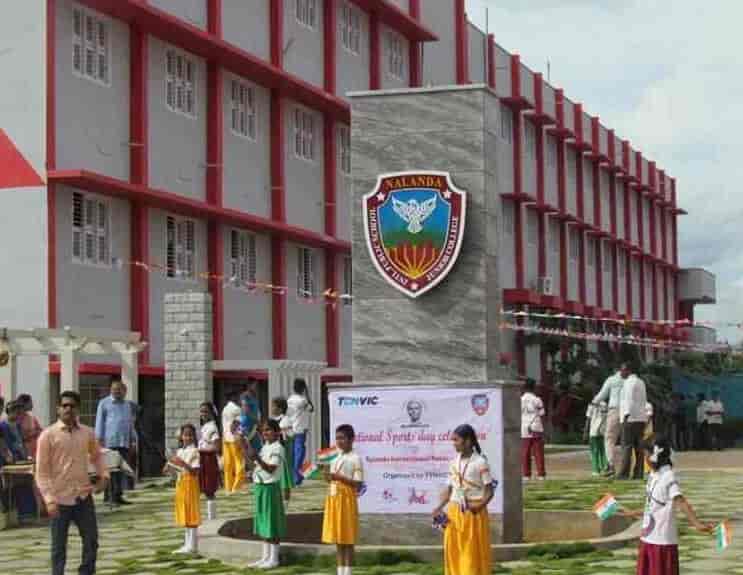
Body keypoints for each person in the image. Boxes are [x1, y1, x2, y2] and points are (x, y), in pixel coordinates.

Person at [36, 390, 108, 575]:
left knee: (91, 540)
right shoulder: (47, 435)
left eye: (72, 406)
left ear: (78, 409)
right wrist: (49, 500)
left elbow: (97, 456)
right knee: (59, 546)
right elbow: (41, 472)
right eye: (64, 405)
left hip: (82, 496)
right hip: (59, 498)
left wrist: (104, 476)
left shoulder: (87, 433)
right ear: (58, 409)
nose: (68, 409)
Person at [621, 436, 713, 575]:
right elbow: (653, 505)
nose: (645, 459)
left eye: (646, 455)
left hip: (662, 542)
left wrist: (697, 524)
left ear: (655, 456)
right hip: (647, 537)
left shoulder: (668, 477)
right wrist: (633, 512)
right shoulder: (653, 475)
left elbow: (681, 501)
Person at [432, 424, 495, 575]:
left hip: (473, 513)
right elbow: (449, 490)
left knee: (470, 551)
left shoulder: (480, 462)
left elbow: (489, 492)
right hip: (454, 513)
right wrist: (438, 507)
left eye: (456, 440)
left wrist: (479, 506)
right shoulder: (454, 463)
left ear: (468, 441)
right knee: (453, 549)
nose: (453, 443)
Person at [322, 424, 365, 575]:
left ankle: (348, 571)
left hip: (347, 500)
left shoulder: (355, 458)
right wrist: (327, 475)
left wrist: (340, 478)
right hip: (334, 499)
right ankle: (340, 571)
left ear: (351, 439)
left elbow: (358, 484)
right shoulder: (336, 457)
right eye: (337, 438)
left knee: (347, 539)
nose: (339, 441)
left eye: (342, 438)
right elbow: (331, 479)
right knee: (338, 539)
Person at [245, 419, 286, 570]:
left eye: (268, 430)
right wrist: (247, 453)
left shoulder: (278, 448)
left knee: (271, 522)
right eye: (263, 430)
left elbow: (271, 469)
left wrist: (256, 458)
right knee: (262, 521)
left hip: (270, 487)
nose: (265, 433)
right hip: (260, 486)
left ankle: (274, 558)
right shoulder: (265, 447)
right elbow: (255, 467)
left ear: (277, 432)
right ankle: (265, 557)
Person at [95, 380, 137, 505]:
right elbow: (99, 422)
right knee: (110, 470)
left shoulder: (127, 405)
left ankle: (118, 495)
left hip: (123, 441)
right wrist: (98, 439)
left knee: (120, 470)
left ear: (124, 391)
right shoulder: (104, 403)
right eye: (114, 389)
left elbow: (130, 423)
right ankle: (109, 497)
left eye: (120, 389)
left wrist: (133, 439)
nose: (117, 391)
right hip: (109, 442)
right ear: (111, 390)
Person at [165, 423, 201, 555]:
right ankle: (187, 543)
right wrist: (170, 467)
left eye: (190, 435)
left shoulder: (195, 451)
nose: (188, 437)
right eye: (185, 435)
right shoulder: (180, 451)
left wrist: (182, 463)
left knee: (192, 513)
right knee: (184, 513)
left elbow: (195, 471)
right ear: (181, 436)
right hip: (181, 483)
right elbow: (176, 469)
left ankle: (193, 544)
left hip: (191, 483)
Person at [592, 364, 630, 476]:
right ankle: (624, 467)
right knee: (626, 441)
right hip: (628, 411)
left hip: (615, 410)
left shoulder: (612, 380)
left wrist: (594, 402)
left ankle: (611, 465)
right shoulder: (631, 381)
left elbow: (602, 395)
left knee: (609, 438)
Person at [618, 369, 648, 480]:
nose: (620, 373)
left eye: (622, 370)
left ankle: (624, 473)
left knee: (626, 447)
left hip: (630, 418)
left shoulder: (628, 382)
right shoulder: (641, 382)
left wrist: (626, 415)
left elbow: (628, 399)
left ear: (628, 370)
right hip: (640, 418)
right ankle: (638, 473)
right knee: (639, 448)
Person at [287, 378, 315, 486]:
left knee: (293, 454)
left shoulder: (290, 399)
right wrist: (307, 394)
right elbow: (311, 408)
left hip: (291, 428)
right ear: (303, 388)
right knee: (300, 453)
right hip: (300, 429)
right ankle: (296, 477)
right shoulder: (303, 400)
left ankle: (294, 476)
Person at [198, 402, 221, 520]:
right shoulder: (204, 426)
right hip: (203, 459)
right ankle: (209, 515)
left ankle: (212, 516)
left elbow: (216, 447)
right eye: (201, 411)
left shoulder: (212, 427)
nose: (203, 414)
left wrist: (201, 450)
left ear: (212, 413)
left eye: (206, 411)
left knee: (209, 488)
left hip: (209, 460)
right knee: (205, 488)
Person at [520, 378, 546, 481]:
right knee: (538, 452)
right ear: (534, 387)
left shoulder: (520, 399)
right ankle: (541, 474)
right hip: (536, 427)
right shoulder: (537, 399)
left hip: (524, 428)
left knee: (525, 452)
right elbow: (542, 414)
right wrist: (544, 429)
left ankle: (526, 475)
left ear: (524, 387)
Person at [271, 397, 294, 501]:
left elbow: (291, 435)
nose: (272, 408)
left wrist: (281, 433)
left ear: (280, 409)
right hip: (274, 453)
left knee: (284, 479)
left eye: (274, 406)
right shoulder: (273, 420)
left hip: (283, 453)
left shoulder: (286, 420)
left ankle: (286, 503)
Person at [221, 390, 244, 494]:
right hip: (234, 438)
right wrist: (239, 435)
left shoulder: (225, 408)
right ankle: (237, 486)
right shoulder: (237, 409)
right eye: (238, 397)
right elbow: (235, 424)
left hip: (225, 438)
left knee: (228, 464)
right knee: (239, 462)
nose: (240, 399)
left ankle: (228, 487)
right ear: (234, 397)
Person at [584, 400, 608, 476]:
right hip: (603, 430)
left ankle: (596, 470)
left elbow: (588, 419)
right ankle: (604, 468)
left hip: (593, 431)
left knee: (594, 451)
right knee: (603, 451)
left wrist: (585, 431)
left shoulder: (592, 405)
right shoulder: (605, 404)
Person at [16, 393, 42, 459]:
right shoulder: (16, 418)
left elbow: (40, 430)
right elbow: (19, 436)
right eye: (30, 402)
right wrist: (32, 433)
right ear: (24, 404)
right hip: (23, 453)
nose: (32, 405)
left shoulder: (31, 417)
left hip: (35, 452)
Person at [240, 380, 263, 453]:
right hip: (247, 424)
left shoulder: (255, 395)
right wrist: (256, 420)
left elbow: (256, 410)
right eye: (254, 385)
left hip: (254, 424)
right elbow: (245, 410)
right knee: (247, 446)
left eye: (256, 385)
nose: (256, 387)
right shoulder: (244, 396)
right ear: (249, 385)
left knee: (257, 446)